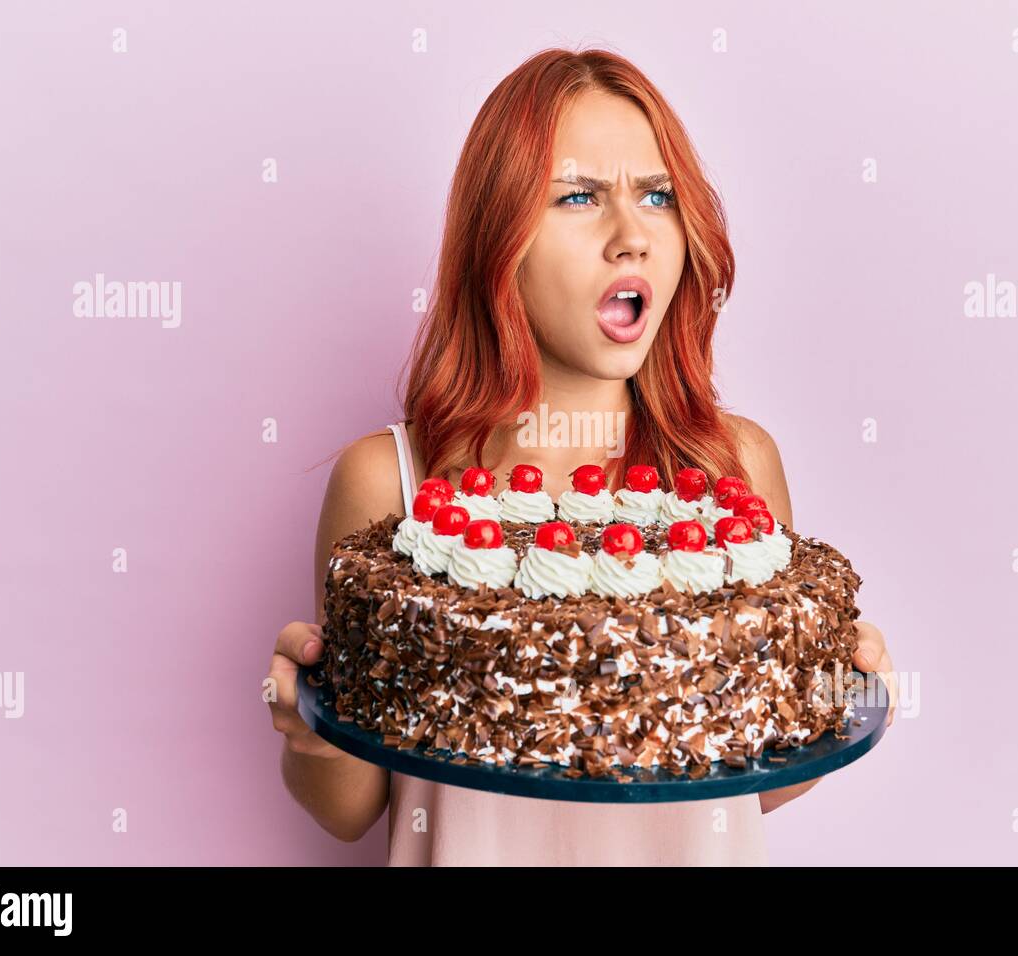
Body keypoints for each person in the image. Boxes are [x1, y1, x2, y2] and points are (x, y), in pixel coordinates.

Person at [268, 47, 896, 865]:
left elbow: (752, 775)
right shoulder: (393, 482)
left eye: (657, 195)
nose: (631, 236)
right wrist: (311, 731)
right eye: (577, 197)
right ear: (501, 239)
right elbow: (349, 809)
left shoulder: (733, 471)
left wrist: (828, 698)